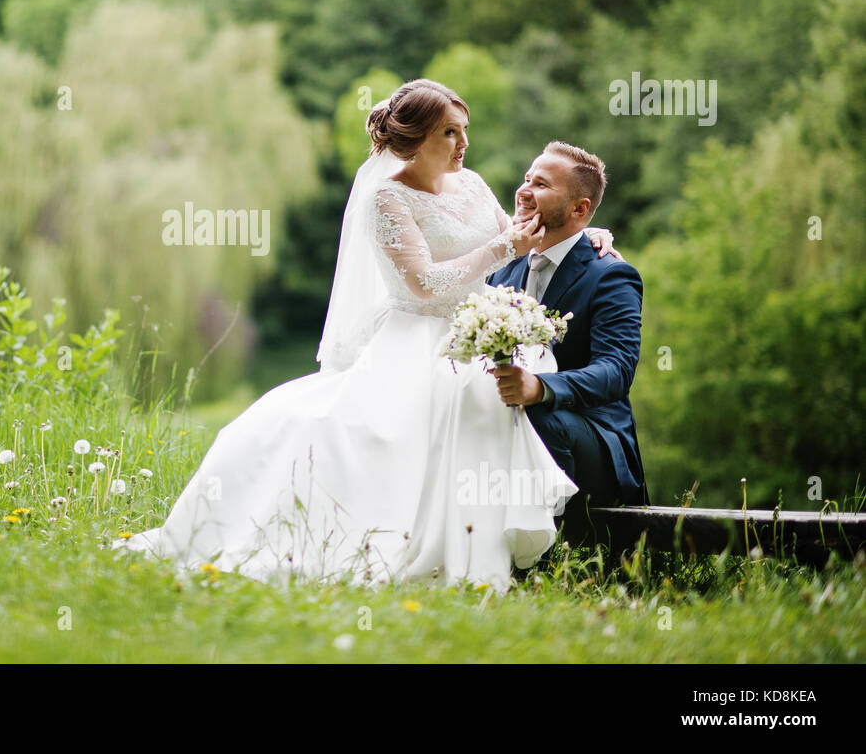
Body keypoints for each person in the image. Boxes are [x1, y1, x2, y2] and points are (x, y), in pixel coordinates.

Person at [113, 79, 619, 590]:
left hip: (471, 337)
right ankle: (380, 542)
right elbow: (422, 283)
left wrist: (585, 232)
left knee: (477, 411)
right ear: (415, 137)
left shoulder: (473, 184)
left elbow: (519, 228)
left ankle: (476, 549)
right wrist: (498, 251)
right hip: (416, 337)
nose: (463, 144)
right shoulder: (387, 199)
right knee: (378, 432)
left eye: (465, 131)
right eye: (450, 132)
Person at [486, 142, 650, 540]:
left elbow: (616, 371)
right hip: (506, 418)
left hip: (591, 436)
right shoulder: (502, 268)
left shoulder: (610, 274)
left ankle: (550, 554)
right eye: (527, 179)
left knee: (536, 414)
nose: (524, 190)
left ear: (579, 209)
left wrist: (541, 388)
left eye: (541, 184)